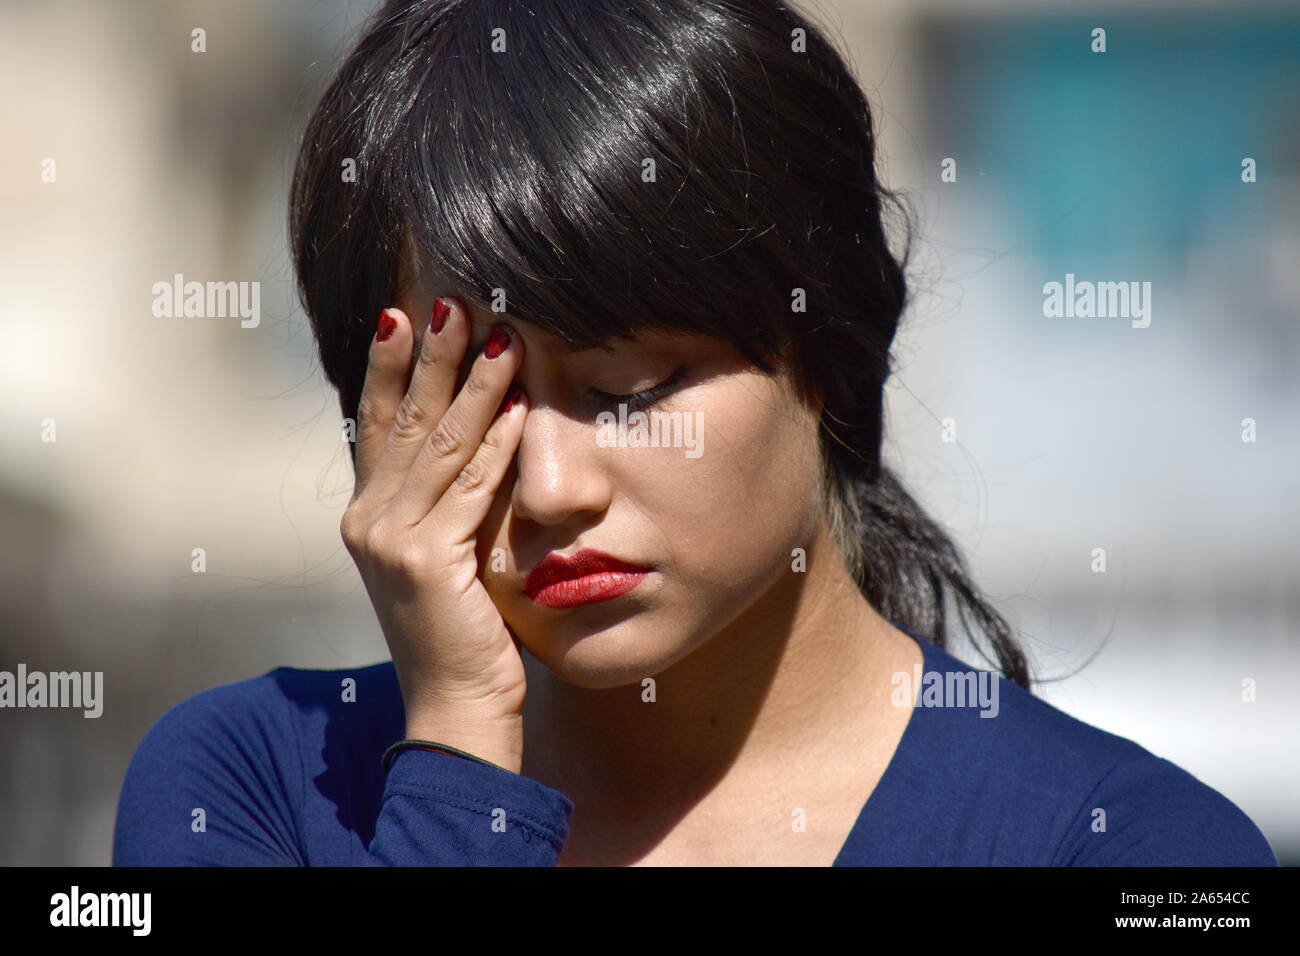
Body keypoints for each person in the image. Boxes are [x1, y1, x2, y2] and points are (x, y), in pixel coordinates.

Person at [113, 0, 1276, 866]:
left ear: (829, 351)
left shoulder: (1130, 848)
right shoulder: (255, 781)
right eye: (475, 402)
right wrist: (460, 755)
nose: (554, 485)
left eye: (633, 390)